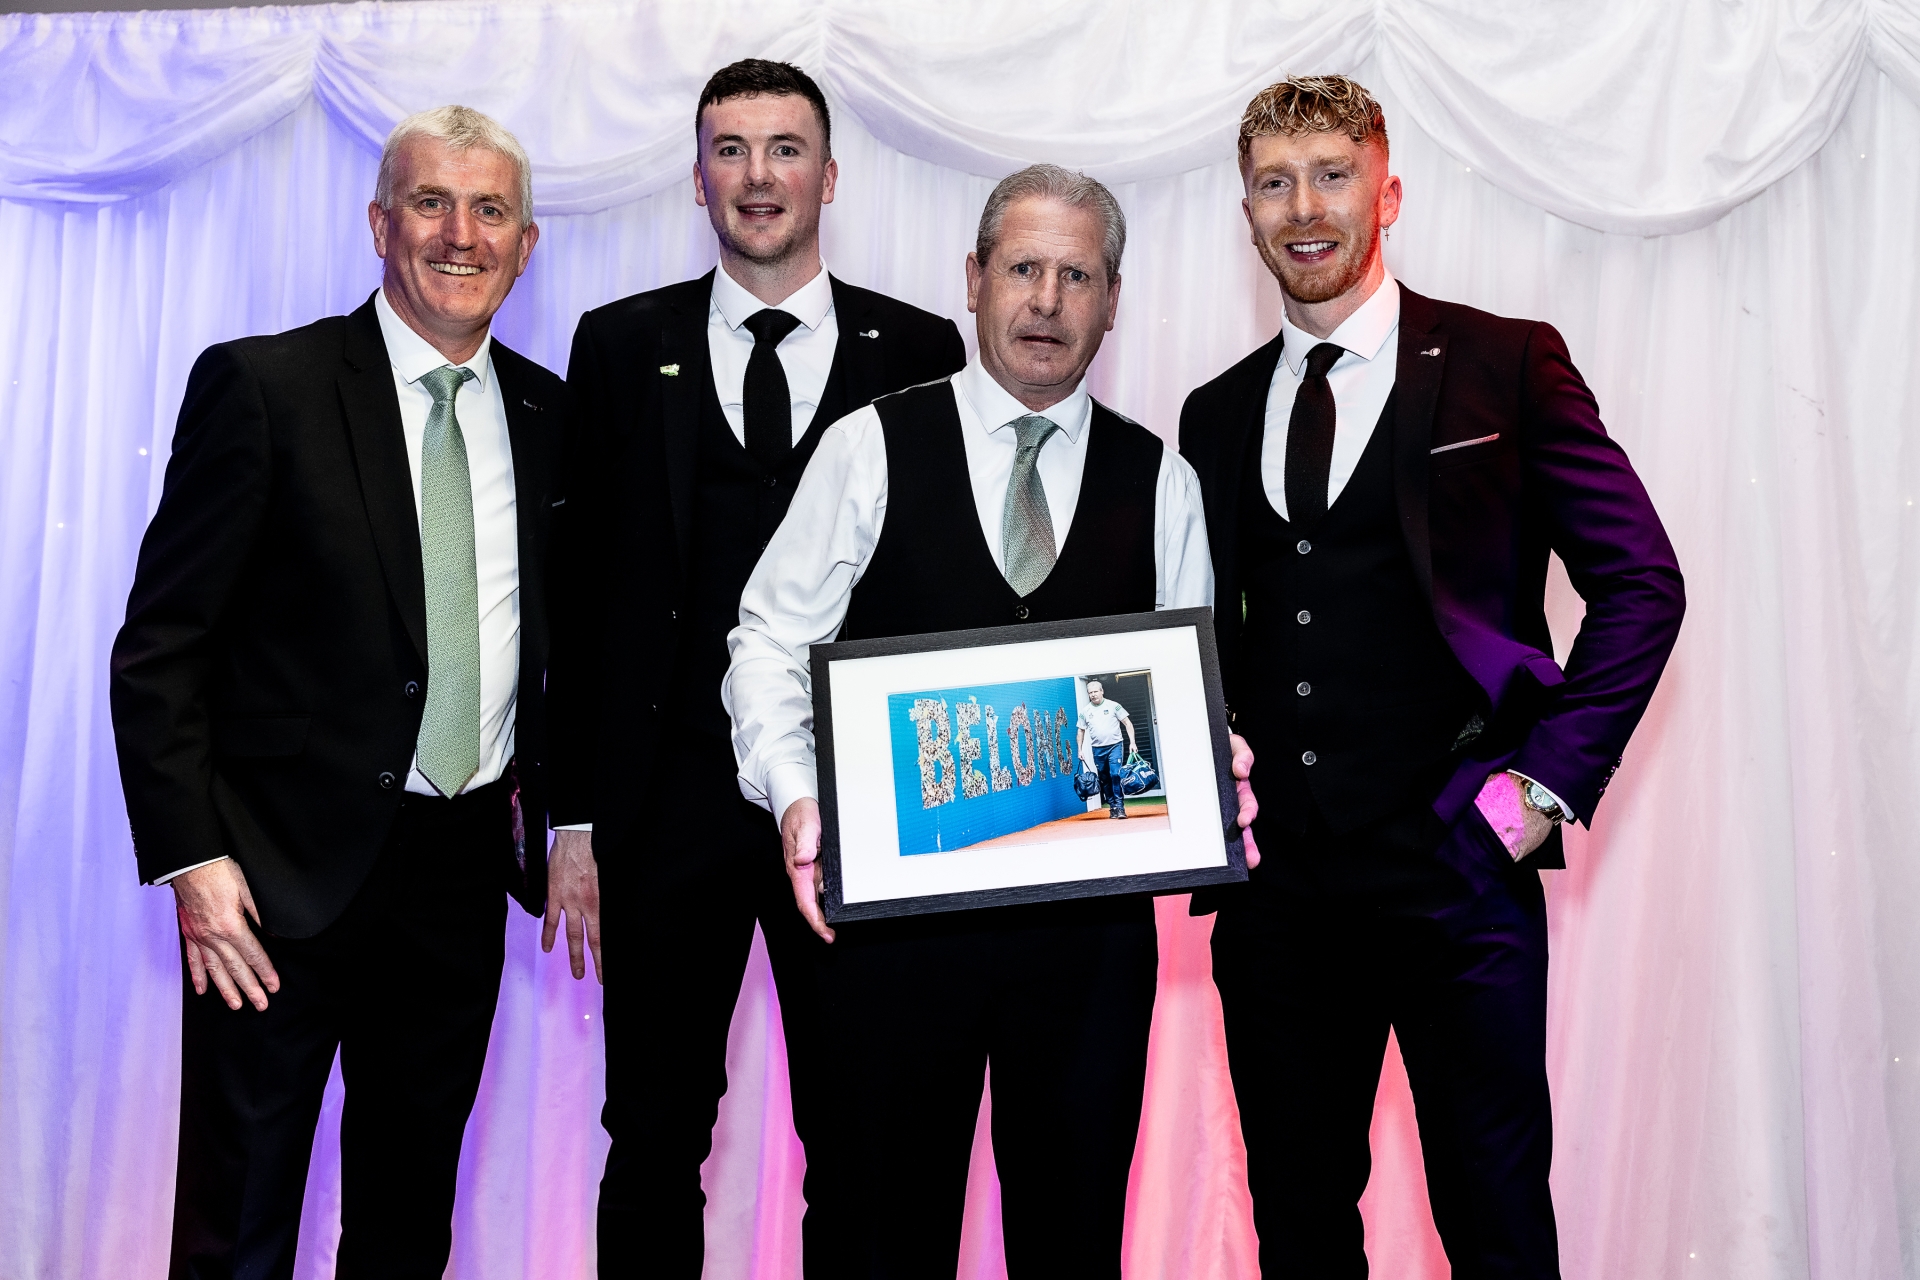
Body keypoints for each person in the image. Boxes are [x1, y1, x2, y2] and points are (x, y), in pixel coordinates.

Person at [1180, 76, 1686, 1277]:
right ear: (1246, 210)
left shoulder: (1507, 364)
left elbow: (1642, 585)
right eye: (1274, 181)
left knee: (1495, 1211)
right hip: (1279, 897)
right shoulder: (1212, 413)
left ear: (1387, 190)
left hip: (1460, 871)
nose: (1305, 207)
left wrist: (1539, 790)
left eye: (1332, 174)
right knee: (1298, 1218)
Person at [724, 163, 1255, 1278]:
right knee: (878, 1231)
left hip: (1089, 947)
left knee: (1072, 1236)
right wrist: (799, 793)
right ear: (973, 281)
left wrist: (1212, 765)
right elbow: (767, 641)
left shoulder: (1162, 480)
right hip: (891, 942)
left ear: (1115, 300)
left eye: (1078, 275)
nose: (1048, 301)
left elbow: (1184, 693)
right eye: (1023, 268)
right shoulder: (869, 446)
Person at [109, 106, 560, 1279]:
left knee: (409, 1224)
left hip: (458, 878)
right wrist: (191, 857)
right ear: (378, 223)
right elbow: (161, 646)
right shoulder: (266, 386)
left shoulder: (557, 419)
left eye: (491, 210)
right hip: (272, 884)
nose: (460, 234)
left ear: (528, 242)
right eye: (430, 203)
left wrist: (575, 824)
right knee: (240, 1222)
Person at [540, 59, 966, 1276]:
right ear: (696, 178)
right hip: (664, 806)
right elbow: (579, 590)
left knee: (863, 1132)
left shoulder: (923, 347)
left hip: (859, 806)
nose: (758, 175)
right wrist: (572, 814)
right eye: (731, 150)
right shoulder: (621, 345)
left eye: (785, 149)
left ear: (829, 176)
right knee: (655, 1131)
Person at [1076, 680, 1137, 818]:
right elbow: (1081, 731)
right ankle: (1113, 806)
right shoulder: (1085, 711)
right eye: (1090, 693)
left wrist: (1132, 742)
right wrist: (1080, 750)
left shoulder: (1114, 706)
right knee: (1104, 778)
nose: (1093, 695)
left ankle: (1120, 807)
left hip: (1115, 745)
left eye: (1095, 691)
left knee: (1115, 774)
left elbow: (1127, 723)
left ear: (1102, 691)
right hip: (1098, 748)